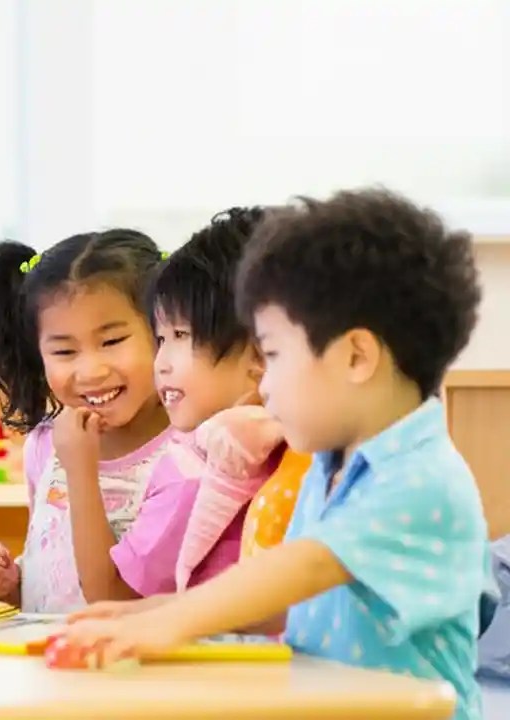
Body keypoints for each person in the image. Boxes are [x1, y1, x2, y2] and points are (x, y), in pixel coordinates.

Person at [63, 188, 488, 720]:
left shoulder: (421, 479)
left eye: (273, 353)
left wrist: (166, 623)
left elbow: (306, 566)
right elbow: (278, 609)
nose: (263, 382)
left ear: (356, 356)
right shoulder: (331, 465)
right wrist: (144, 614)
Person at [0, 230, 172, 613]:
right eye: (64, 350)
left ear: (162, 330)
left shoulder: (184, 452)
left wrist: (80, 469)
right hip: (50, 665)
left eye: (111, 342)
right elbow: (54, 573)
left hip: (134, 668)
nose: (90, 371)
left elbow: (117, 599)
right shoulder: (45, 444)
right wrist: (10, 584)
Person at [135, 206, 311, 596]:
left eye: (181, 335)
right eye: (160, 339)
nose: (162, 362)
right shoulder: (202, 451)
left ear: (261, 350)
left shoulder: (307, 462)